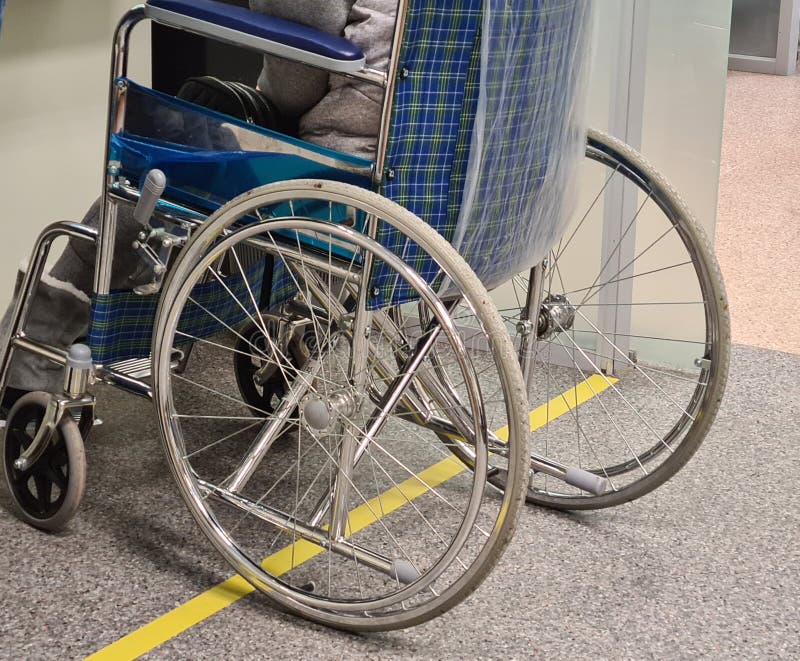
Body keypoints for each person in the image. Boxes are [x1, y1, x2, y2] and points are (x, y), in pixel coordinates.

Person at [0, 0, 396, 404]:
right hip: (412, 174)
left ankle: (38, 340)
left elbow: (298, 78)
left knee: (166, 157)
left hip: (333, 163)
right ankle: (290, 315)